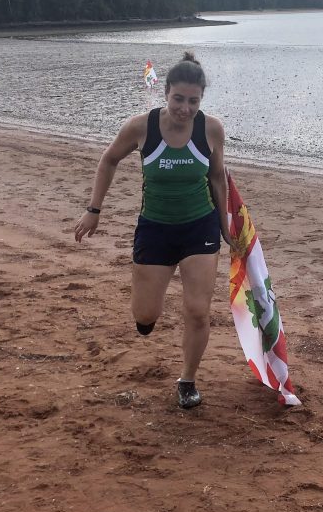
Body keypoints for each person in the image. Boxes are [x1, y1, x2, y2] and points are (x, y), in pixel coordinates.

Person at [74, 52, 229, 409]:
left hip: (199, 228)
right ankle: (146, 320)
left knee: (198, 311)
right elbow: (109, 159)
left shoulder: (212, 129)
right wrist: (93, 210)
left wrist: (226, 226)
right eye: (179, 99)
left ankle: (187, 381)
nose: (185, 108)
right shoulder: (141, 127)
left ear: (201, 99)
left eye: (193, 101)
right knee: (145, 315)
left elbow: (218, 178)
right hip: (155, 229)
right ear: (166, 93)